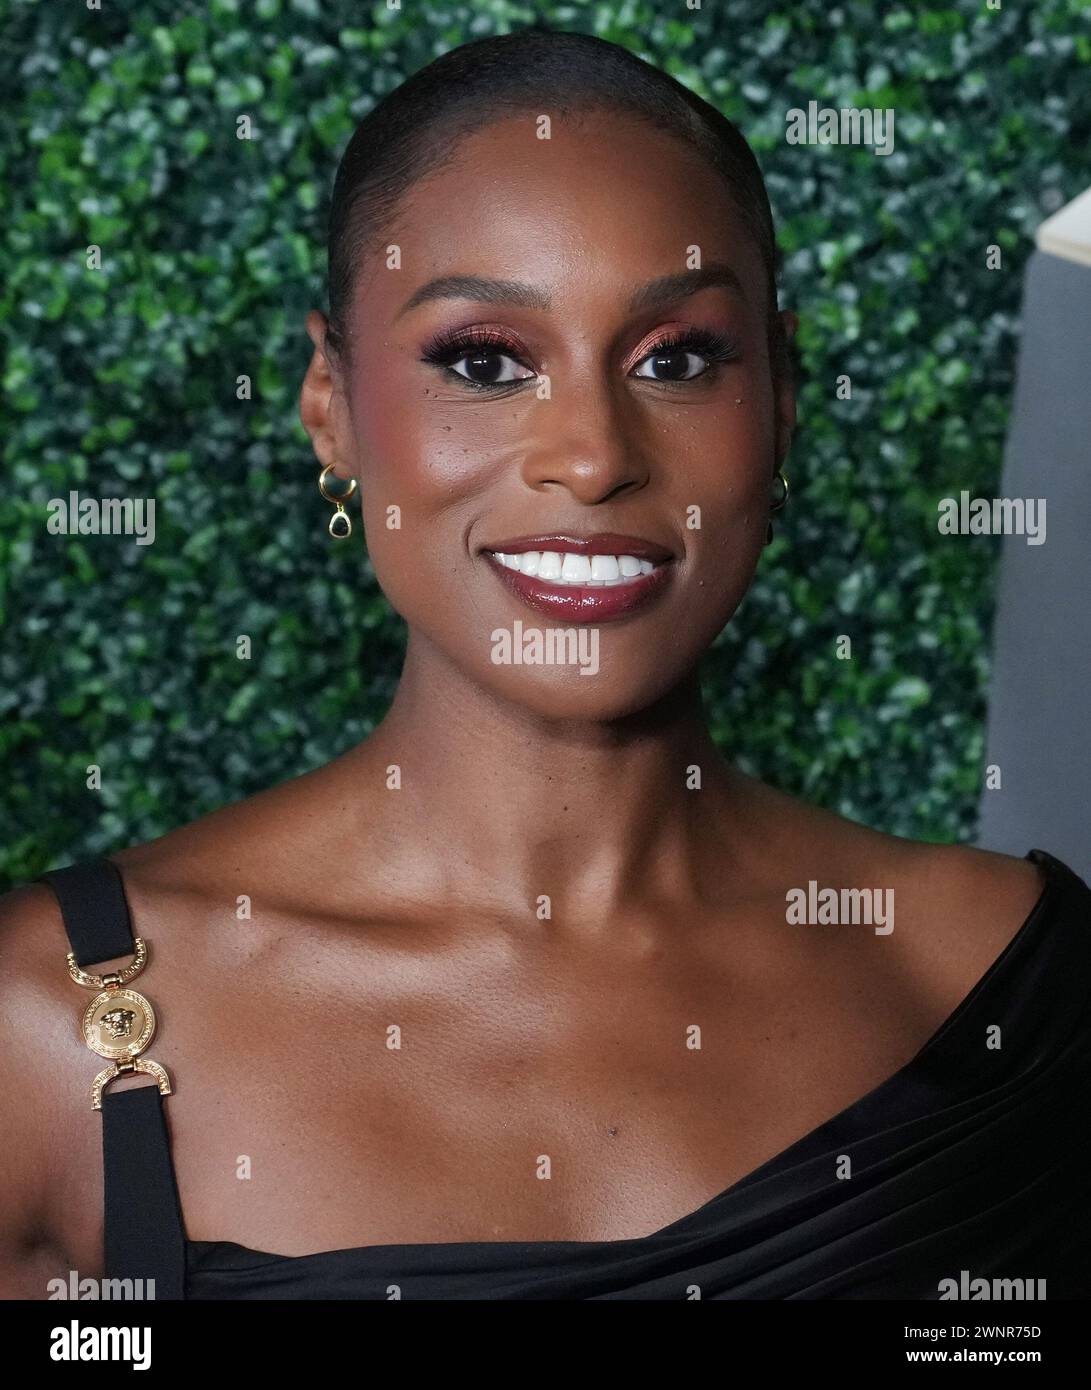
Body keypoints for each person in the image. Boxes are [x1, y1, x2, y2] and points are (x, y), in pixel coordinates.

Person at [2, 29, 1088, 1301]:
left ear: (780, 399)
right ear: (330, 408)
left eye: (675, 359)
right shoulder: (55, 1022)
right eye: (483, 361)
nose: (588, 454)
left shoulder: (1010, 977)